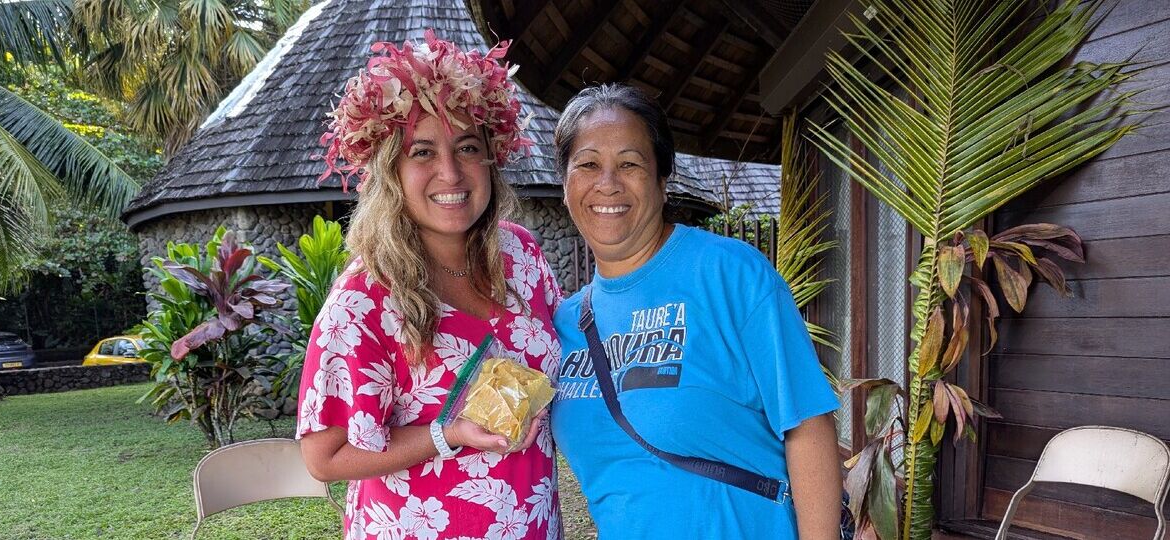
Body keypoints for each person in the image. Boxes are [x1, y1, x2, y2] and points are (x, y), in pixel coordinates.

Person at [297, 31, 563, 540]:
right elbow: (324, 457)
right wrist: (450, 433)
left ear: (491, 158)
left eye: (467, 147)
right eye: (422, 151)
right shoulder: (363, 300)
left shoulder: (522, 256)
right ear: (390, 171)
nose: (450, 172)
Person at [549, 83, 842, 539]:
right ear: (566, 186)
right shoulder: (564, 324)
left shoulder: (730, 273)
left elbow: (807, 423)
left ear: (662, 180)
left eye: (630, 163)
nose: (607, 182)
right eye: (588, 164)